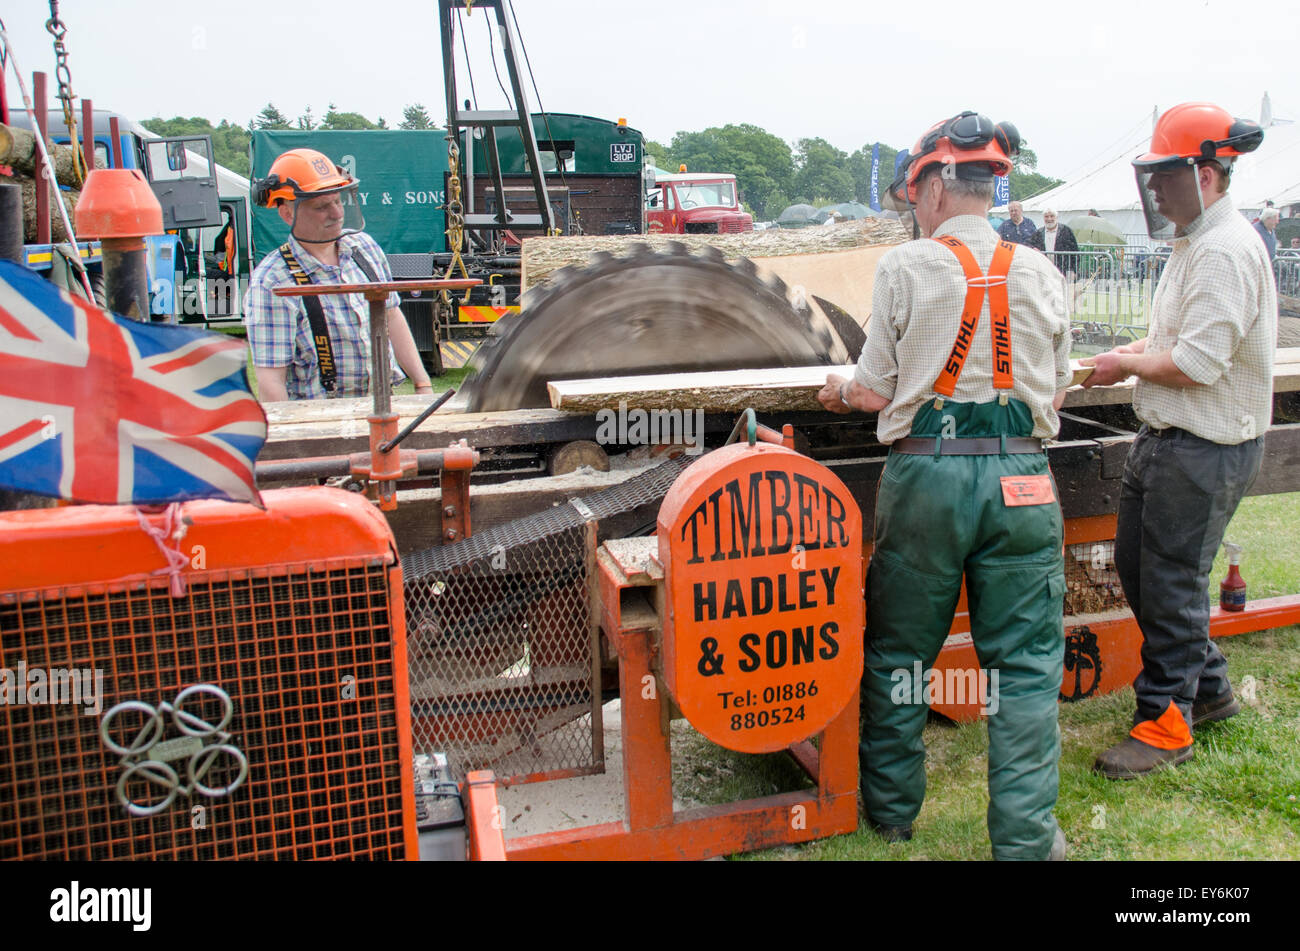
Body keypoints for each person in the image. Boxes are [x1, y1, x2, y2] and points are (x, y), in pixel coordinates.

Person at [819, 110, 1073, 860]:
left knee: (900, 651)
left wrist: (839, 390)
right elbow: (1056, 392)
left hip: (926, 472)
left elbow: (873, 390)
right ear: (991, 186)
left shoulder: (905, 266)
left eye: (912, 191)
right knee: (1024, 668)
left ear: (933, 186)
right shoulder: (1042, 270)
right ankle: (1026, 841)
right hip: (1022, 478)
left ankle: (892, 815)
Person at [1081, 102, 1273, 779]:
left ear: (1205, 172)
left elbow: (1198, 365)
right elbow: (1182, 344)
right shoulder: (1197, 243)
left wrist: (1126, 365)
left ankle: (1165, 723)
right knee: (1142, 571)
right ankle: (1211, 689)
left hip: (1202, 446)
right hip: (1171, 441)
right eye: (1152, 177)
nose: (1155, 191)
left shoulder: (1223, 251)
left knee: (1170, 584)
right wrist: (1138, 348)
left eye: (1165, 177)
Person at [244, 148, 432, 402]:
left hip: (381, 406)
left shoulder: (364, 249)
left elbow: (391, 315)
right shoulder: (273, 281)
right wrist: (290, 436)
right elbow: (271, 381)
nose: (337, 213)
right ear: (288, 213)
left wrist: (422, 385)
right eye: (322, 206)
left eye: (337, 201)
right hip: (319, 423)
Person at [1028, 208, 1079, 275]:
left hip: (1062, 269)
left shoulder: (1066, 231)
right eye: (1046, 217)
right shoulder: (1039, 233)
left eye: (1052, 216)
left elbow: (1074, 250)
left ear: (1056, 217)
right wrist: (1033, 248)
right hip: (1044, 269)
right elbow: (1029, 244)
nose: (1049, 219)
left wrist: (1074, 270)